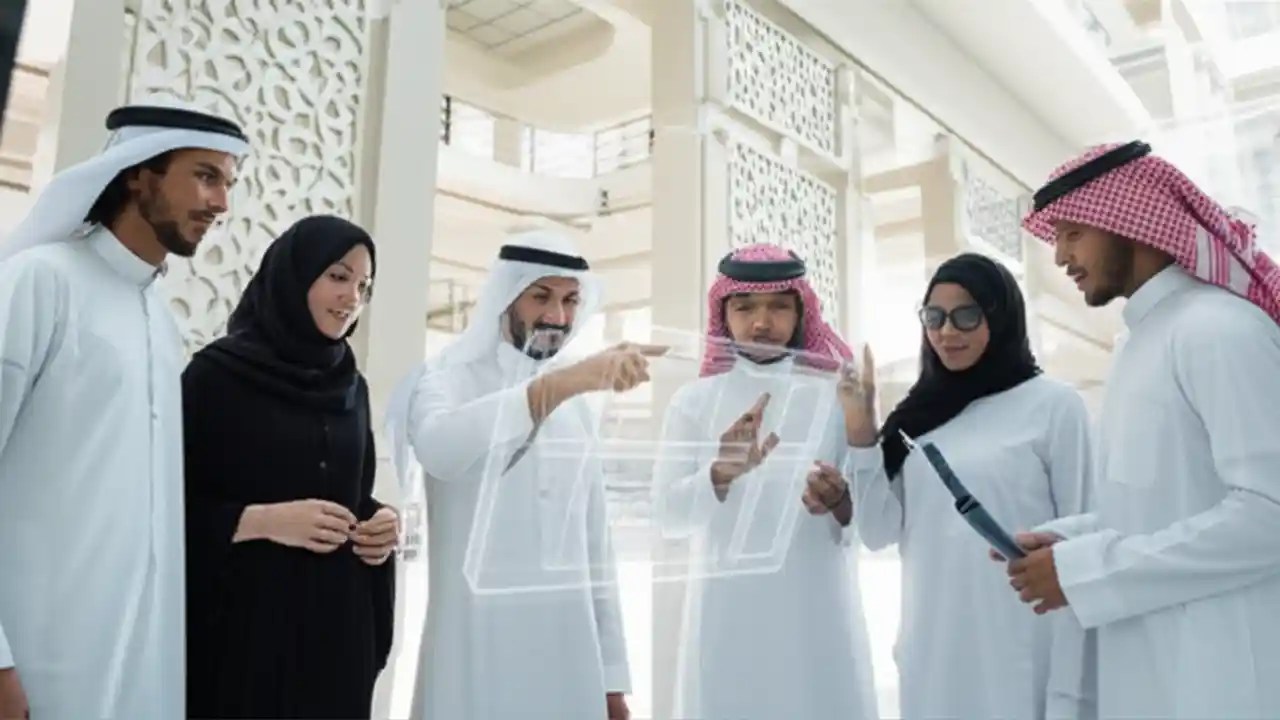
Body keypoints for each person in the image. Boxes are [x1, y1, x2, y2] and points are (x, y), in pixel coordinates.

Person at [1006, 140, 1280, 718]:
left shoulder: (1220, 330)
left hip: (1223, 680)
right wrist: (1071, 542)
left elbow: (1268, 515)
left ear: (1127, 219)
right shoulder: (1139, 343)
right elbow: (1163, 505)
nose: (1059, 257)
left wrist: (1086, 571)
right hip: (1153, 672)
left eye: (1074, 231)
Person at [0, 99, 249, 718]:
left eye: (228, 184)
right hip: (35, 657)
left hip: (134, 663)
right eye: (205, 175)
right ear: (140, 171)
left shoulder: (160, 322)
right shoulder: (40, 281)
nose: (221, 204)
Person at [384, 230, 662, 720]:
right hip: (478, 641)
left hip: (568, 648)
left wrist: (612, 679)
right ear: (507, 296)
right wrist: (554, 388)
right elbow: (439, 449)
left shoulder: (579, 405)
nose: (556, 316)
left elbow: (595, 545)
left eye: (571, 300)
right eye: (541, 296)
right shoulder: (447, 377)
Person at [842, 252, 1095, 719]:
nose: (947, 332)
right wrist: (862, 432)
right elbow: (877, 532)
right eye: (934, 317)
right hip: (935, 651)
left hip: (1024, 649)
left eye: (966, 315)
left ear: (1000, 317)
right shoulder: (915, 418)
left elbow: (1088, 528)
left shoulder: (1054, 407)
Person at [652, 243, 880, 720]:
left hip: (816, 610)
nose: (762, 322)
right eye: (746, 307)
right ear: (723, 313)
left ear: (801, 312)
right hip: (727, 616)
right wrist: (719, 472)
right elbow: (668, 519)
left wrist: (841, 502)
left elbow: (874, 520)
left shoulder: (838, 398)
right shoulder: (693, 402)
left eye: (779, 306)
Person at [182, 215, 395, 718]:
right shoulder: (216, 376)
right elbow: (164, 507)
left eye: (363, 286)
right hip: (246, 631)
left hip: (337, 634)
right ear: (295, 275)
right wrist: (263, 521)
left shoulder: (351, 385)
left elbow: (352, 493)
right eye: (338, 277)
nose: (352, 298)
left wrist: (381, 522)